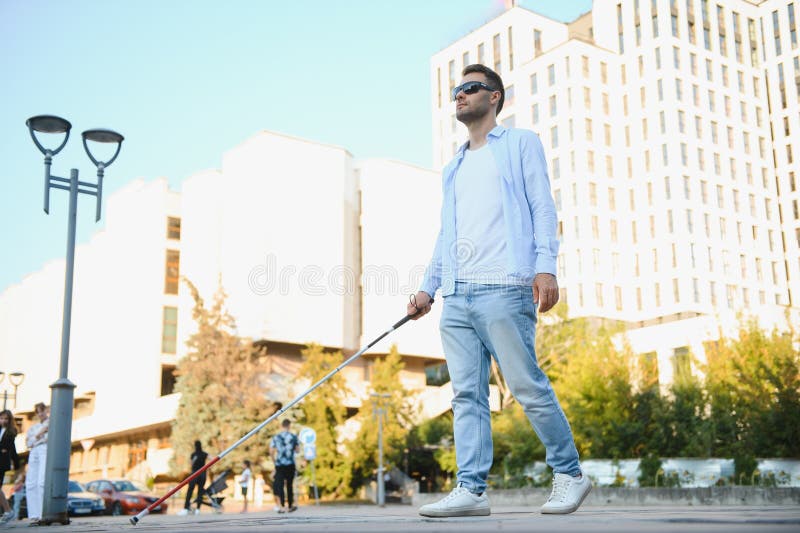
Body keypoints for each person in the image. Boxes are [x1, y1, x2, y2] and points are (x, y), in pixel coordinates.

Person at [410, 64, 591, 517]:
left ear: (494, 97)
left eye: (470, 88)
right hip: (457, 295)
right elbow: (446, 236)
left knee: (527, 385)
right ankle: (471, 490)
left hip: (505, 287)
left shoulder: (519, 144)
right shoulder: (454, 167)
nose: (460, 95)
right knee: (466, 396)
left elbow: (542, 208)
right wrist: (427, 289)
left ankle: (570, 474)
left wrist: (545, 269)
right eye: (456, 90)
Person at [25, 403, 48, 525]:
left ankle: (42, 514)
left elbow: (47, 439)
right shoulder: (34, 427)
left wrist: (35, 438)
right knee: (31, 483)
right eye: (38, 412)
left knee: (41, 482)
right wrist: (39, 435)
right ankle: (33, 514)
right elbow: (28, 443)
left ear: (46, 410)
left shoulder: (51, 423)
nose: (40, 413)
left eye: (42, 411)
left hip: (44, 450)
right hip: (33, 452)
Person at [270, 419, 298, 513]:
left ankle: (281, 506)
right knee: (289, 485)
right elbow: (297, 450)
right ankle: (290, 506)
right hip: (290, 464)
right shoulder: (293, 437)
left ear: (282, 426)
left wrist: (275, 462)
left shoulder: (276, 437)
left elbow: (271, 452)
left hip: (280, 464)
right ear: (289, 426)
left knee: (280, 485)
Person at [0, 409, 20, 523]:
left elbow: (9, 448)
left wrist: (16, 463)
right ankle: (7, 511)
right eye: (1, 418)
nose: (3, 421)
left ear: (10, 420)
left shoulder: (11, 432)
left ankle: (8, 511)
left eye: (6, 419)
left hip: (2, 462)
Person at [179, 440, 208, 515]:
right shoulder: (205, 454)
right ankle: (198, 509)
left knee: (190, 490)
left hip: (194, 474)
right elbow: (213, 458)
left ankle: (185, 508)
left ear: (195, 446)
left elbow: (191, 464)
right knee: (200, 492)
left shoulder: (193, 454)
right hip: (202, 474)